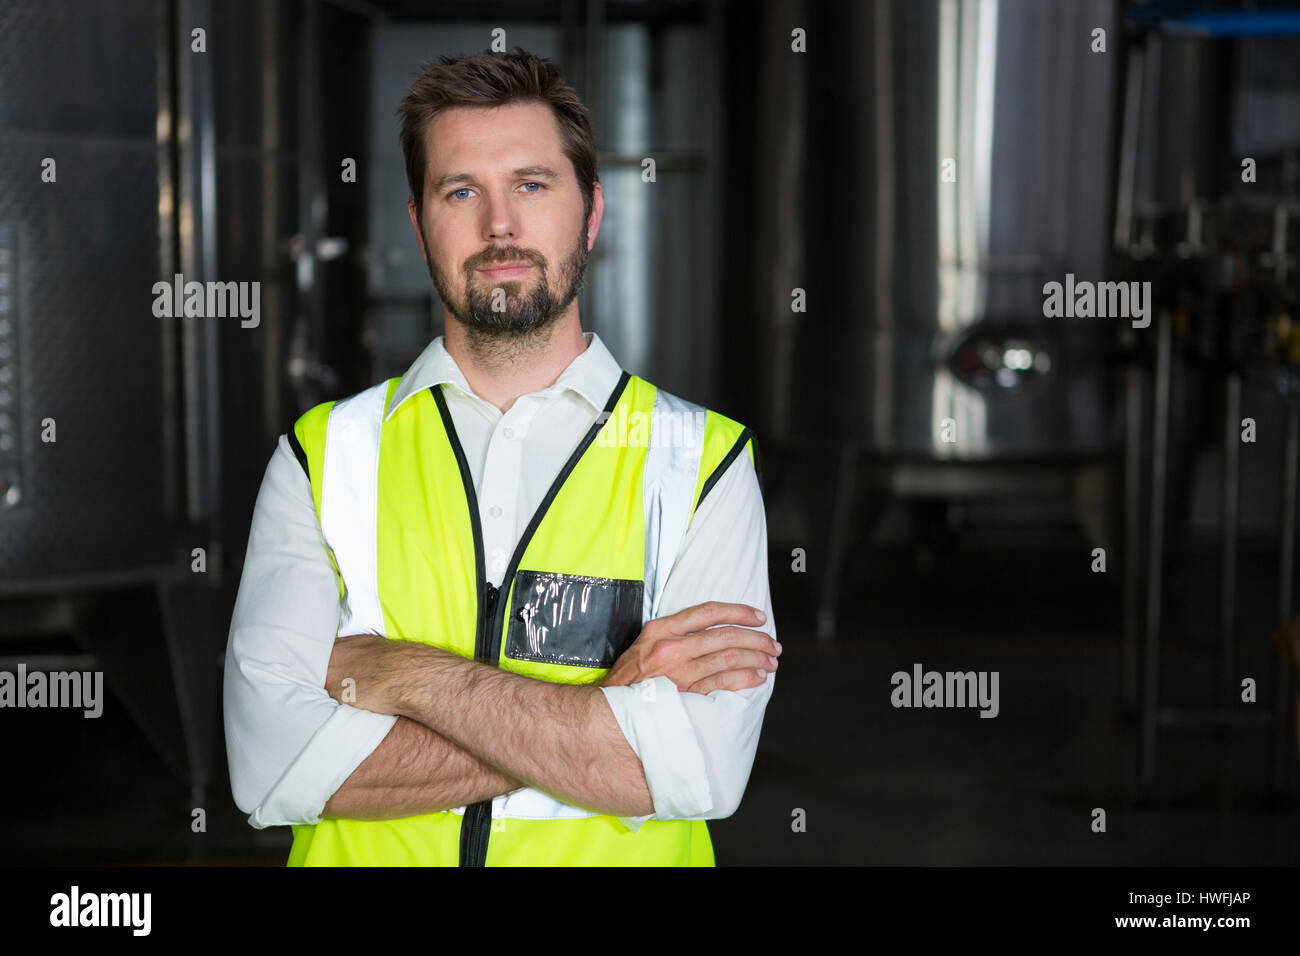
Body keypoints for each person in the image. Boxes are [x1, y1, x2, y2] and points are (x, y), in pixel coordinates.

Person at [223, 46, 779, 866]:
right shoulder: (322, 456)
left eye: (531, 183)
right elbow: (271, 767)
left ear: (591, 212)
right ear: (418, 225)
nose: (500, 226)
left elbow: (697, 771)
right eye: (461, 191)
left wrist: (405, 678)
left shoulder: (703, 464)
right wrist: (601, 709)